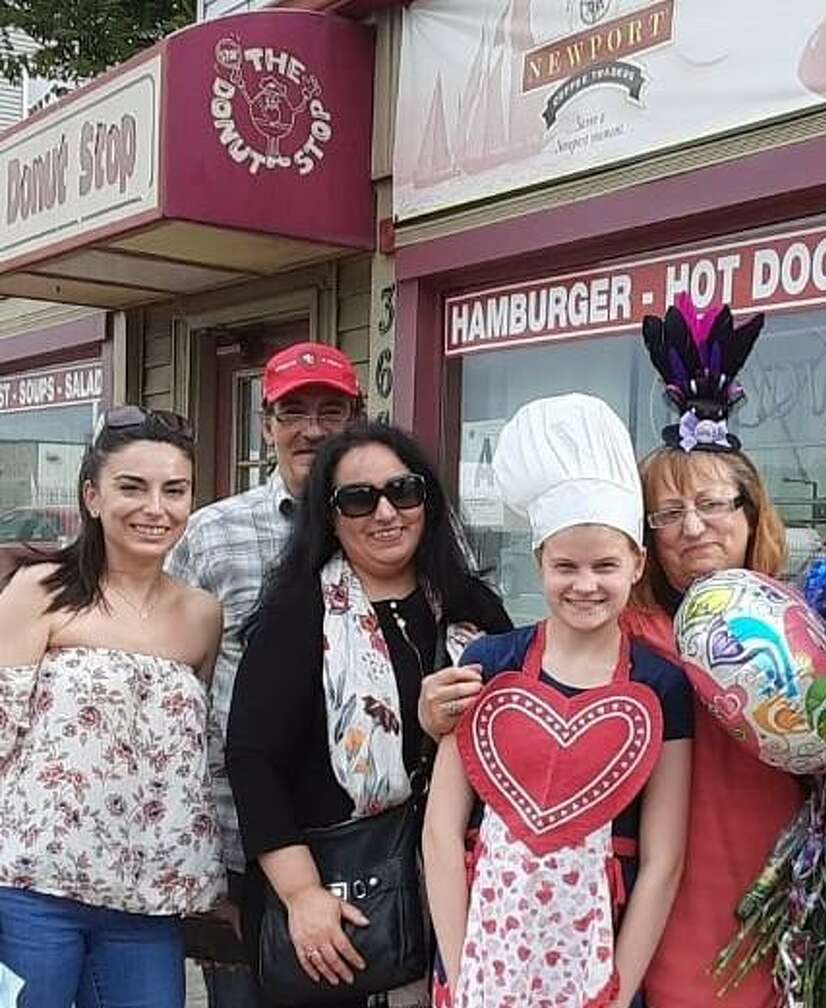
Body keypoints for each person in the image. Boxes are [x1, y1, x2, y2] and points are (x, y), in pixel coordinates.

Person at [630, 297, 826, 1007]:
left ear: (752, 511)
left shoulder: (820, 622)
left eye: (714, 504)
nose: (693, 527)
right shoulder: (629, 635)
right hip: (668, 915)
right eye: (667, 513)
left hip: (790, 905)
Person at [225, 423, 512, 1008]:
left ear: (426, 500)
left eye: (402, 491)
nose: (385, 512)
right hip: (341, 898)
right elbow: (252, 760)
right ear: (329, 517)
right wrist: (301, 895)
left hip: (462, 892)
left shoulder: (471, 606)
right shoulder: (299, 614)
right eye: (358, 499)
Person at [424, 394, 692, 1008]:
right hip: (482, 960)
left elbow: (664, 860)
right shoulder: (489, 663)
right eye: (565, 565)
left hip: (596, 968)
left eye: (605, 565)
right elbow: (441, 830)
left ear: (637, 563)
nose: (585, 584)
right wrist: (463, 974)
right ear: (539, 561)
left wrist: (617, 990)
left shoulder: (660, 685)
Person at [0, 406, 224, 1007]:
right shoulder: (39, 591)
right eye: (132, 487)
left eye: (174, 490)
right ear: (92, 497)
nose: (155, 508)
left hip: (146, 902)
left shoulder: (201, 615)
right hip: (31, 890)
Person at [167, 341, 363, 1006]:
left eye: (330, 410)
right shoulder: (212, 533)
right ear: (265, 423)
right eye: (293, 411)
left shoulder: (395, 518)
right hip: (239, 826)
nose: (311, 428)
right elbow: (174, 678)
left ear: (355, 419)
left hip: (362, 829)